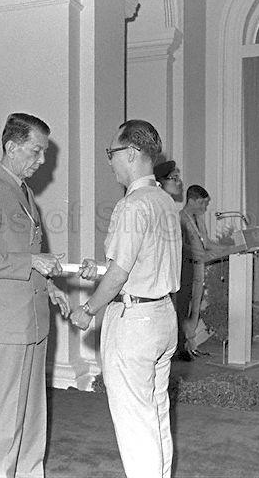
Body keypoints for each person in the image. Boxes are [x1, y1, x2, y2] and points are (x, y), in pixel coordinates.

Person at [70, 119, 181, 478]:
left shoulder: (131, 206)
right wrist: (102, 269)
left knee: (136, 424)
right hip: (164, 316)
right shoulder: (164, 200)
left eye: (112, 153)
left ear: (131, 153)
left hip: (133, 324)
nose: (110, 161)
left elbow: (121, 275)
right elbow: (136, 264)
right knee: (156, 413)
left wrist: (88, 309)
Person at [0, 113, 70, 478]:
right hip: (8, 321)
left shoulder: (22, 191)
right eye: (36, 152)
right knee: (7, 411)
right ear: (12, 147)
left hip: (33, 316)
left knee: (33, 408)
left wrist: (51, 285)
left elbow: (25, 256)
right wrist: (32, 261)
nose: (42, 161)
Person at [178, 184, 230, 358]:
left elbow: (206, 243)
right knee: (185, 307)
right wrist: (202, 253)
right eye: (202, 203)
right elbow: (182, 247)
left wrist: (225, 249)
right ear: (191, 200)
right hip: (187, 269)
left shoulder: (199, 219)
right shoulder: (181, 218)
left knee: (196, 307)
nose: (204, 207)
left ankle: (191, 343)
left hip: (199, 267)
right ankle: (182, 346)